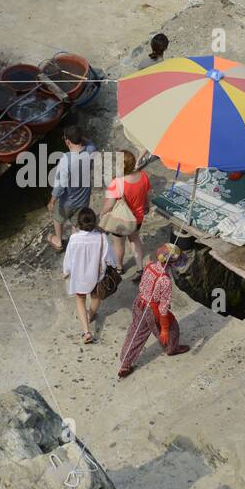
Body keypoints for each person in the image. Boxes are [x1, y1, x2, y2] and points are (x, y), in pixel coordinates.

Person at [118, 243, 190, 379]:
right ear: (172, 264)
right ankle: (172, 348)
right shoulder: (165, 281)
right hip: (153, 309)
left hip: (139, 302)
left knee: (136, 333)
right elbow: (163, 308)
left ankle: (125, 364)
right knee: (172, 328)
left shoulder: (150, 266)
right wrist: (164, 328)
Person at [62, 208, 118, 344]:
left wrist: (66, 271)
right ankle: (90, 315)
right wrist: (114, 266)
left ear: (79, 223)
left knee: (80, 299)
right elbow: (110, 259)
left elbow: (68, 258)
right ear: (94, 221)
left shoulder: (74, 238)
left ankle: (86, 332)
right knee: (96, 296)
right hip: (97, 275)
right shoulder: (102, 237)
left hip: (79, 275)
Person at [47, 123, 95, 251]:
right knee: (77, 221)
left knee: (58, 218)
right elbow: (89, 143)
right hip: (84, 196)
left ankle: (58, 241)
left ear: (67, 141)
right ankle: (74, 243)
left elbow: (60, 185)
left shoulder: (65, 160)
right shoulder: (91, 150)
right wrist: (80, 138)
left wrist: (52, 201)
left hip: (67, 200)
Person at [102, 150, 151, 276]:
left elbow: (110, 204)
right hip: (137, 218)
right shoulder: (143, 176)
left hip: (121, 220)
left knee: (118, 244)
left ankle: (119, 267)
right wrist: (146, 205)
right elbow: (145, 195)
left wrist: (102, 213)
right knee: (135, 240)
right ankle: (140, 268)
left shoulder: (117, 182)